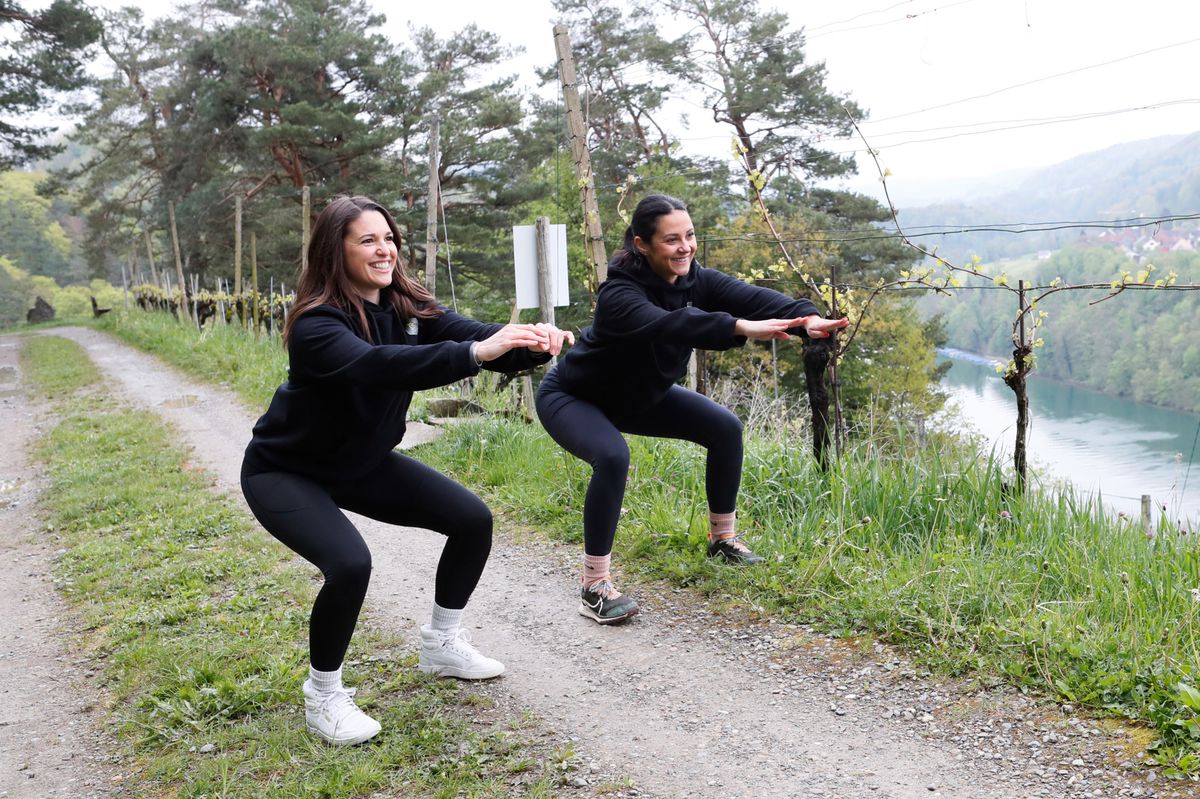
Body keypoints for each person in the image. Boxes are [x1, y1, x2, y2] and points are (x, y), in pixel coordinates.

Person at [240, 195, 572, 745]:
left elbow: (473, 335)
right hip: (286, 471)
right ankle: (324, 697)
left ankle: (442, 645)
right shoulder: (316, 325)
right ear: (335, 250)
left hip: (361, 465)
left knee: (471, 520)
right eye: (367, 240)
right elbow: (379, 367)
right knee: (349, 564)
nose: (384, 249)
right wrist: (478, 354)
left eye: (389, 238)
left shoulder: (407, 306)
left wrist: (532, 344)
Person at [535, 194, 847, 625]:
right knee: (612, 456)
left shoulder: (694, 279)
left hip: (641, 397)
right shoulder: (618, 294)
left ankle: (723, 540)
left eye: (690, 236)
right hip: (575, 397)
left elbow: (751, 296)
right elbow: (673, 324)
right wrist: (740, 327)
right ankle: (595, 585)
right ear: (642, 244)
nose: (685, 247)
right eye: (672, 240)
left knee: (724, 428)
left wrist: (805, 317)